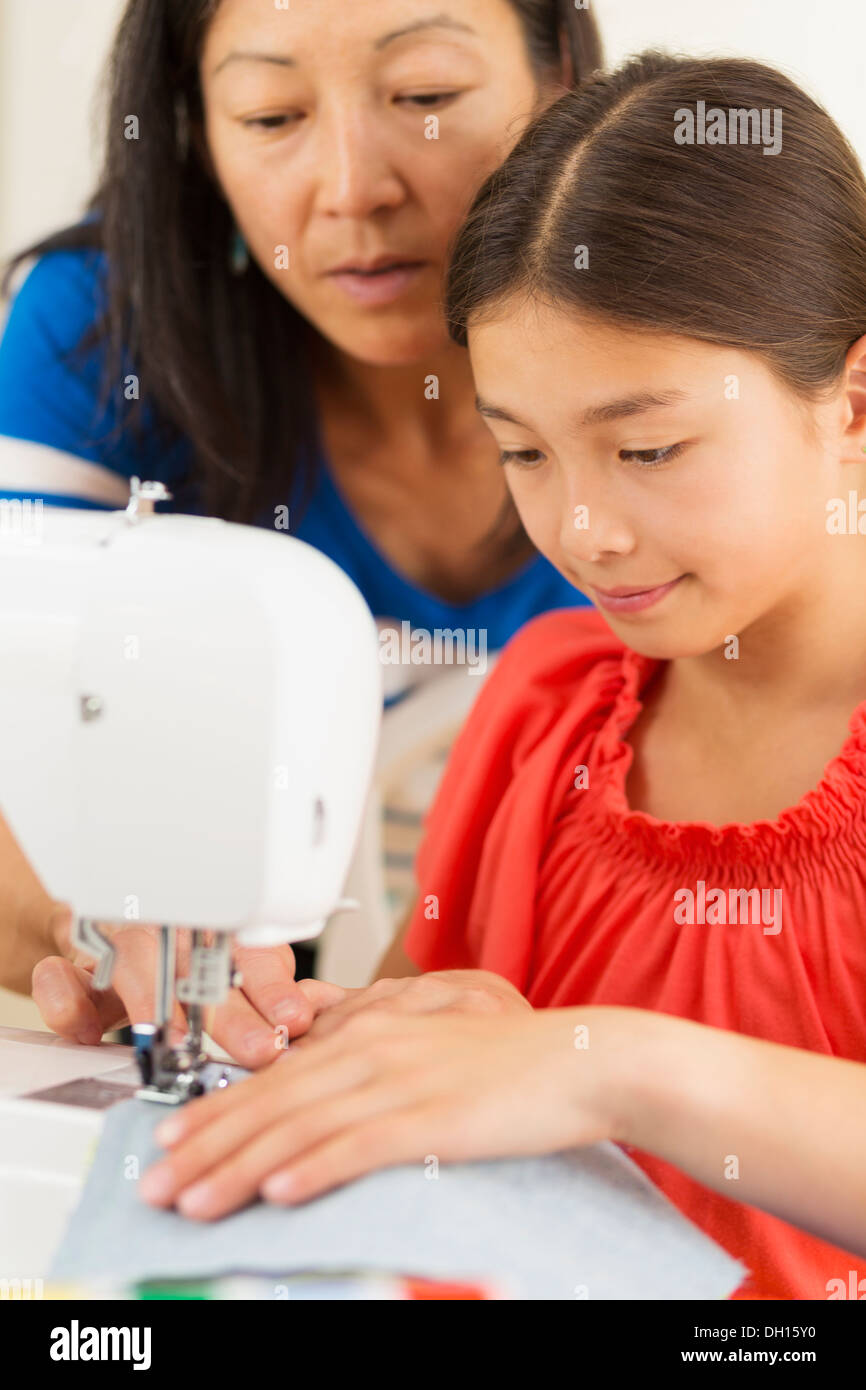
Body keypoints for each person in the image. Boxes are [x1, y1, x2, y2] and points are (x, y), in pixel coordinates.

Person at [139, 51, 866, 1301]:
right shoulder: (545, 698)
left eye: (647, 446)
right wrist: (330, 1034)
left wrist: (600, 1062)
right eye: (520, 451)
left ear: (852, 402)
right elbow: (410, 1068)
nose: (581, 529)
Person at [0, 0, 601, 1057]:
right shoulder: (102, 342)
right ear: (197, 130)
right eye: (273, 116)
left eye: (423, 98)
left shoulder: (684, 360)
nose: (351, 190)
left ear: (557, 78)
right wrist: (72, 924)